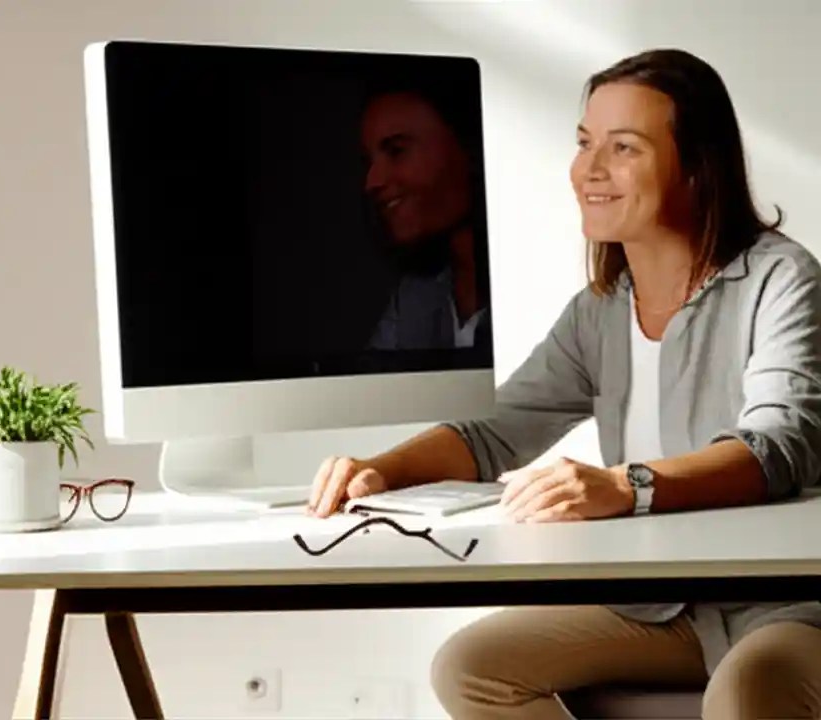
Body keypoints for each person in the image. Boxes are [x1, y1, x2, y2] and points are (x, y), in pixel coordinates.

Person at [309, 47, 821, 719]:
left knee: (746, 691)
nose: (590, 170)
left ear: (697, 166)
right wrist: (378, 471)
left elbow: (781, 445)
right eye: (585, 144)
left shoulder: (781, 280)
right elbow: (495, 430)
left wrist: (623, 485)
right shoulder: (601, 309)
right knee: (470, 668)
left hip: (787, 605)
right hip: (661, 606)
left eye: (625, 148)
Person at [359, 78, 491, 351]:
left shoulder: (552, 288)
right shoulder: (413, 299)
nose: (372, 181)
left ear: (469, 146)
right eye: (369, 162)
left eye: (396, 151)